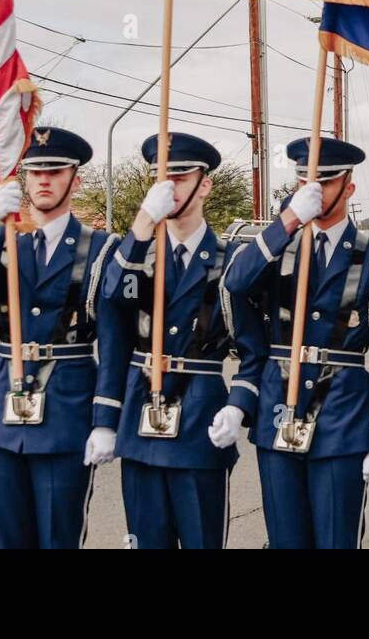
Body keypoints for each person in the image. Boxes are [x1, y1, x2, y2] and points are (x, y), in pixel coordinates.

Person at [0, 126, 126, 548]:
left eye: (55, 171)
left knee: (59, 538)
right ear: (23, 178)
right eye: (35, 171)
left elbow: (114, 344)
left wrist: (105, 420)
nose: (44, 180)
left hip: (66, 412)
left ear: (75, 180)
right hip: (2, 409)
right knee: (10, 538)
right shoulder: (5, 244)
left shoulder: (101, 249)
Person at [220, 137, 369, 549]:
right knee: (285, 540)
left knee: (336, 540)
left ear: (348, 186)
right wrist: (286, 221)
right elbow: (234, 282)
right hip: (278, 409)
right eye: (304, 181)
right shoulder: (278, 246)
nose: (313, 190)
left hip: (342, 418)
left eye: (325, 182)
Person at [99, 132, 249, 549]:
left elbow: (254, 350)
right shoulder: (135, 252)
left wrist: (238, 404)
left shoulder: (230, 259)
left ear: (205, 184)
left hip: (200, 416)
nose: (170, 188)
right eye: (160, 179)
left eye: (180, 177)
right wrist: (143, 222)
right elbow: (113, 296)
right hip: (141, 418)